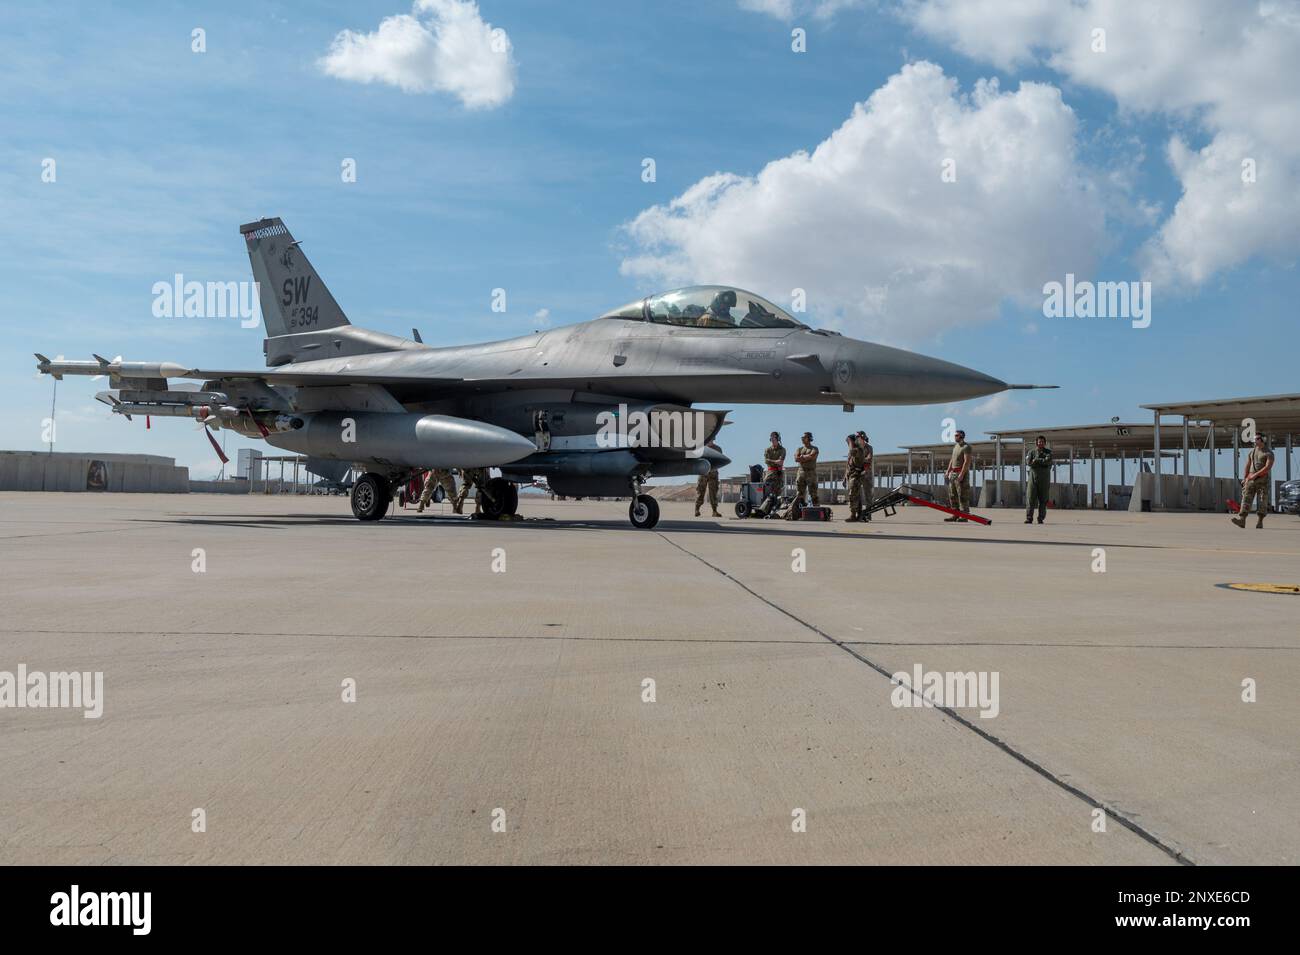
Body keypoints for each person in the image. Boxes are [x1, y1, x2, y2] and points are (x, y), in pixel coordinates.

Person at [1232, 434, 1274, 529]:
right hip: (1251, 480)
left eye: (1257, 439)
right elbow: (1248, 465)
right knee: (1246, 498)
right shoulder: (1252, 452)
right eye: (1254, 439)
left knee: (1262, 500)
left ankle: (1260, 521)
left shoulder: (1269, 453)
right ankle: (1242, 520)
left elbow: (1267, 467)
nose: (1255, 441)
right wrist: (1245, 477)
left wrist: (1255, 475)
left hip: (1262, 480)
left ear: (1262, 440)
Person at [944, 429, 973, 521]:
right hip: (953, 473)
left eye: (956, 435)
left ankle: (964, 516)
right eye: (955, 435)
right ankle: (955, 514)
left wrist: (961, 474)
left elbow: (967, 462)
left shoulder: (966, 447)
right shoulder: (956, 447)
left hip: (961, 473)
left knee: (962, 495)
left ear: (961, 436)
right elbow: (952, 460)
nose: (955, 437)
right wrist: (948, 471)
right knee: (952, 495)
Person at [1025, 435, 1053, 524]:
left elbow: (1047, 461)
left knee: (1043, 500)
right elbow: (1029, 462)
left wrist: (1036, 461)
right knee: (1030, 498)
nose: (1040, 443)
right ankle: (1029, 518)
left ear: (1045, 443)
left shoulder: (1048, 452)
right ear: (1036, 442)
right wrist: (1041, 461)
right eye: (1039, 441)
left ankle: (1040, 518)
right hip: (1033, 478)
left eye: (1042, 442)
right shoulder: (1031, 452)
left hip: (1044, 479)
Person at [760, 431, 785, 515]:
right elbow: (766, 461)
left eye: (774, 438)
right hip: (769, 473)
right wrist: (775, 461)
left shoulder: (782, 449)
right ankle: (764, 510)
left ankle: (773, 511)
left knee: (777, 493)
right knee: (765, 491)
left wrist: (772, 461)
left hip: (778, 473)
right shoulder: (768, 450)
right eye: (771, 438)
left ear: (778, 439)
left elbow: (780, 462)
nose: (772, 440)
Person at [695, 440, 722, 517]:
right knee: (700, 491)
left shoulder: (718, 449)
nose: (710, 441)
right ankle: (697, 510)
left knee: (713, 493)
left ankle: (714, 511)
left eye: (711, 439)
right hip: (703, 473)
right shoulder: (701, 448)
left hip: (713, 473)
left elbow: (720, 460)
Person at [794, 432, 820, 507]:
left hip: (811, 472)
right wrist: (805, 457)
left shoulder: (814, 448)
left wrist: (802, 457)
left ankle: (816, 511)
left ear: (809, 438)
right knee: (799, 494)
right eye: (802, 437)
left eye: (804, 437)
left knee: (813, 493)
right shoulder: (799, 449)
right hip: (801, 472)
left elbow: (812, 456)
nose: (802, 438)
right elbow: (796, 459)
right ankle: (799, 511)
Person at [844, 434, 866, 522]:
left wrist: (851, 442)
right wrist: (845, 477)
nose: (847, 443)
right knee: (856, 495)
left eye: (848, 441)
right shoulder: (852, 451)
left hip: (856, 476)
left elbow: (852, 451)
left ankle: (853, 515)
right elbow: (848, 466)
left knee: (852, 495)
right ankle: (859, 514)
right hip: (851, 476)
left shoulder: (858, 450)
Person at [855, 431, 874, 521]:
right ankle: (858, 515)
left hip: (866, 475)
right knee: (856, 496)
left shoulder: (869, 448)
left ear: (862, 438)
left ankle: (868, 515)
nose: (857, 439)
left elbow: (869, 458)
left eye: (858, 437)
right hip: (857, 475)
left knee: (868, 496)